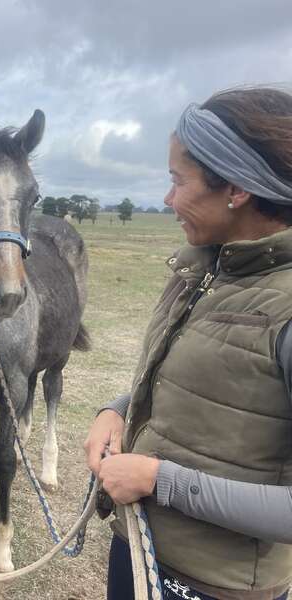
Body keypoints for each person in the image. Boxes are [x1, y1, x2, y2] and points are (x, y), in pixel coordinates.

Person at [85, 87, 292, 600]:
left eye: (178, 180)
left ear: (236, 190)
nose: (167, 199)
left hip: (213, 588)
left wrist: (160, 480)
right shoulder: (209, 269)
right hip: (140, 551)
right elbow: (192, 388)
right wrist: (116, 409)